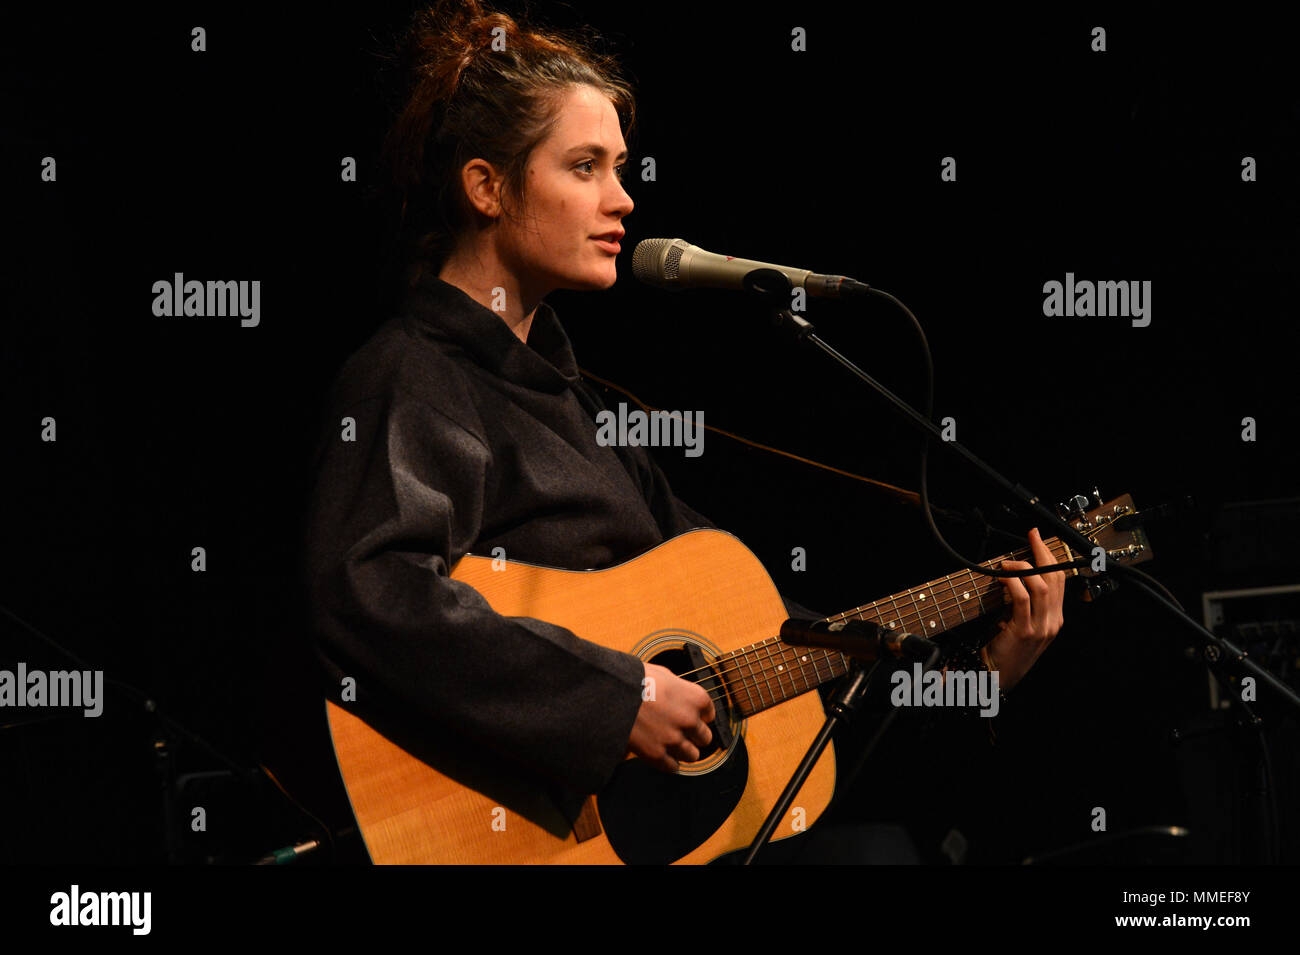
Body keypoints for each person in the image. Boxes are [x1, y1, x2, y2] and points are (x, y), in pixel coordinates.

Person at [302, 0, 1065, 862]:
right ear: (487, 186)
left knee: (887, 845)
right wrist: (614, 696)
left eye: (621, 167)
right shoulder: (413, 372)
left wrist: (977, 670)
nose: (623, 200)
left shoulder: (572, 397)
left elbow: (763, 632)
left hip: (654, 832)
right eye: (585, 166)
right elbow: (370, 591)